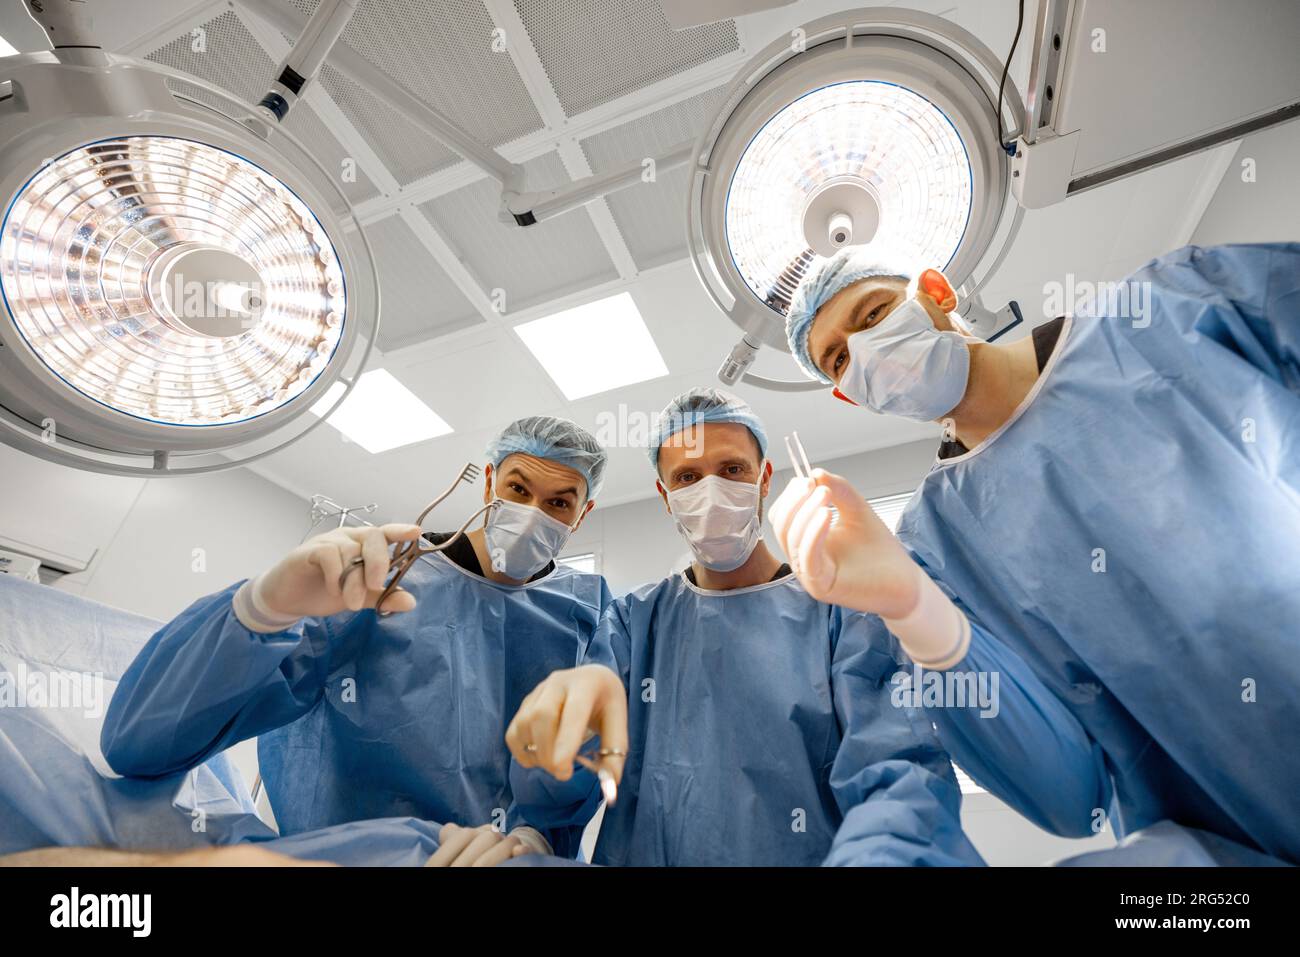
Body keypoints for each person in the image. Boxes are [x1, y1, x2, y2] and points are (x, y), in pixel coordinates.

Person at [772, 242, 1300, 864]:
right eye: (838, 360)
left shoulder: (1167, 308)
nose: (863, 353)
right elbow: (1073, 801)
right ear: (848, 396)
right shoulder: (932, 549)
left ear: (937, 293)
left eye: (872, 315)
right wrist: (914, 611)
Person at [500, 388, 984, 866]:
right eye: (688, 476)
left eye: (731, 470)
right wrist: (536, 805)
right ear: (666, 496)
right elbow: (562, 789)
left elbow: (895, 776)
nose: (710, 491)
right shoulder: (632, 625)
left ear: (764, 477)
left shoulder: (839, 614)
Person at [101, 416, 612, 864]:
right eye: (518, 489)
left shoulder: (587, 615)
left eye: (559, 503)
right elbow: (142, 744)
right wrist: (261, 608)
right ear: (487, 483)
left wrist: (535, 838)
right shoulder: (378, 582)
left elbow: (582, 758)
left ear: (582, 515)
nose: (532, 512)